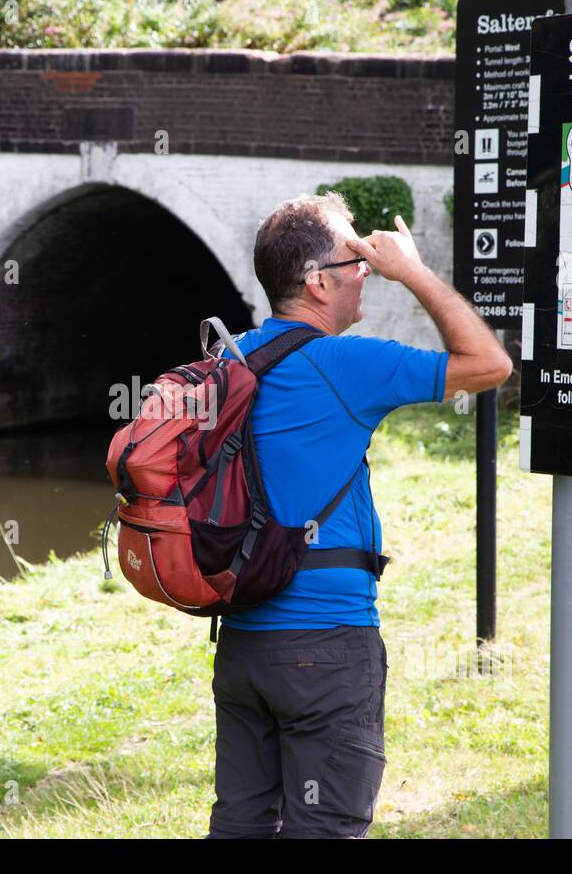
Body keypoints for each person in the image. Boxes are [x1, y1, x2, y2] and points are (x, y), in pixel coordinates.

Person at [207, 191, 511, 839]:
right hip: (324, 651)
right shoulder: (345, 364)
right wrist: (415, 273)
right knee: (324, 829)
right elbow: (490, 364)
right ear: (318, 282)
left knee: (241, 826)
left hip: (241, 651)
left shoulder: (231, 362)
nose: (369, 266)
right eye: (357, 257)